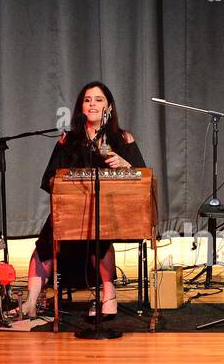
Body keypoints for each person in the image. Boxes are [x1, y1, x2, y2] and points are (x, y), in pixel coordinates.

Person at [19, 82, 145, 320]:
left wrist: (124, 164)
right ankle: (31, 301)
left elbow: (142, 178)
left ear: (109, 106)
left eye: (98, 99)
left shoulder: (122, 138)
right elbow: (50, 178)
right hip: (72, 209)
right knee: (46, 238)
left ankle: (109, 293)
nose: (92, 104)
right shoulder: (69, 139)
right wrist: (66, 181)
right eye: (87, 100)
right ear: (81, 107)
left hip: (109, 210)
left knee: (100, 234)